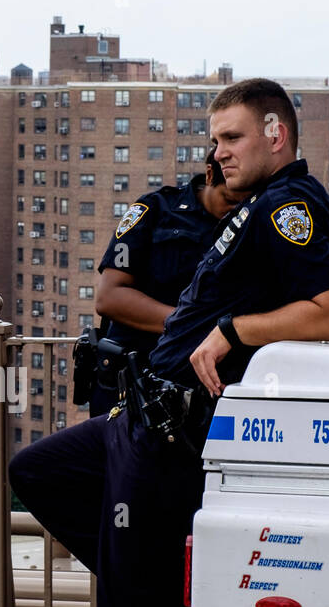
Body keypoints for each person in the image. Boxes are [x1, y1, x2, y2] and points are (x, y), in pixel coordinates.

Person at [0, 78, 329, 607]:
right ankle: (168, 602)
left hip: (171, 436)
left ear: (275, 134)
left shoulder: (288, 206)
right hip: (135, 419)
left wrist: (233, 333)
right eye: (216, 139)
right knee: (40, 470)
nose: (218, 152)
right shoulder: (257, 207)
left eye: (231, 138)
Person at [86, 147, 249, 417]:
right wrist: (188, 327)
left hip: (206, 392)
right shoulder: (153, 210)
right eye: (230, 202)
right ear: (210, 175)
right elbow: (109, 297)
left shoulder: (251, 223)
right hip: (132, 382)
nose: (236, 213)